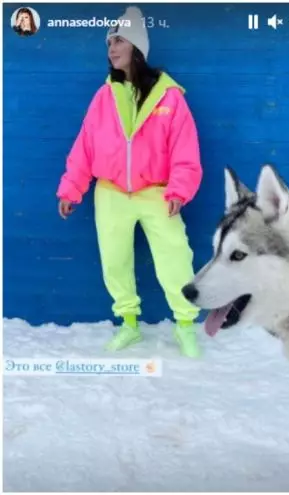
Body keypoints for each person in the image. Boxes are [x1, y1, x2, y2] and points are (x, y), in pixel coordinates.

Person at [56, 6, 204, 358]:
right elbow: (85, 146)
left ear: (137, 47)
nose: (111, 47)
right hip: (110, 194)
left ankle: (185, 326)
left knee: (175, 259)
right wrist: (71, 188)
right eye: (108, 41)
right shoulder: (103, 96)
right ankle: (129, 325)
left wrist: (179, 190)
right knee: (115, 261)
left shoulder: (169, 97)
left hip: (157, 193)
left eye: (118, 40)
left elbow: (186, 149)